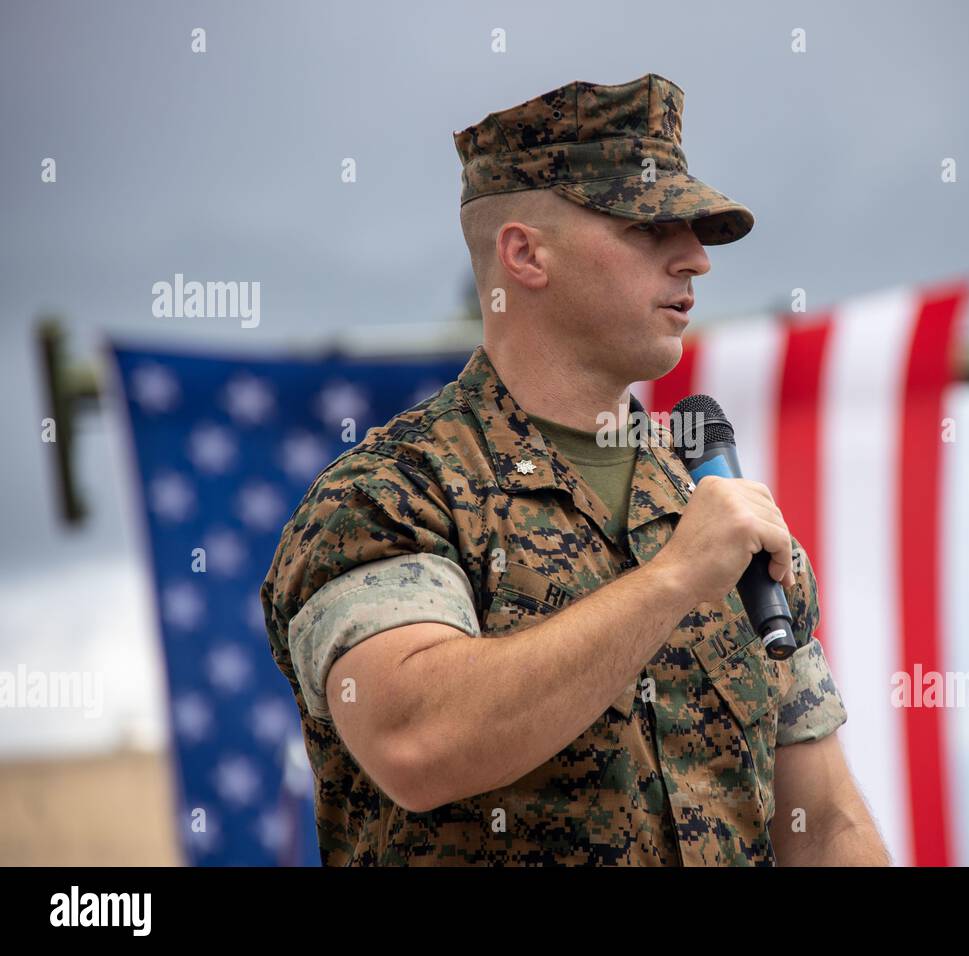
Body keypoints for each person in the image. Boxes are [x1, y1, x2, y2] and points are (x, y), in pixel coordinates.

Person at [260, 72, 891, 866]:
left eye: (692, 231)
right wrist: (671, 581)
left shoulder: (716, 511)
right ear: (525, 253)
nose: (695, 258)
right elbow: (417, 743)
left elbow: (825, 820)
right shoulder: (394, 495)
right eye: (648, 227)